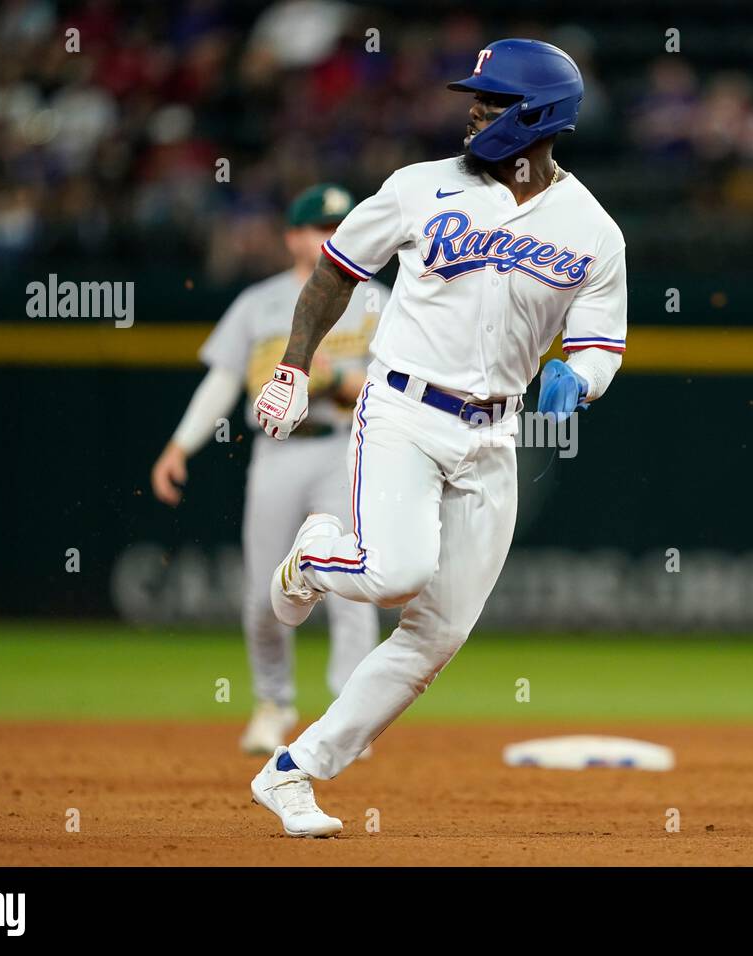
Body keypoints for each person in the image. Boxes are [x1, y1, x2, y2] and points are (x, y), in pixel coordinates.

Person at [245, 38, 628, 838]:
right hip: (403, 411)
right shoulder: (420, 187)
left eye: (493, 100)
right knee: (396, 572)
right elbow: (336, 270)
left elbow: (598, 344)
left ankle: (294, 772)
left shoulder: (593, 229)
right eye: (475, 96)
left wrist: (580, 379)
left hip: (495, 438)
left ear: (542, 115)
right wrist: (292, 365)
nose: (475, 110)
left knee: (437, 636)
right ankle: (318, 552)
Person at [151, 184, 387, 755]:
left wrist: (337, 381)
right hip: (276, 451)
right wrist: (181, 444)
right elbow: (224, 380)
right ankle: (272, 703)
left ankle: (349, 715)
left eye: (339, 227)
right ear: (293, 237)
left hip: (345, 448)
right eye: (319, 228)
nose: (330, 237)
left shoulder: (378, 300)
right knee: (262, 590)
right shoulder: (258, 303)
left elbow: (392, 391)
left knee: (352, 586)